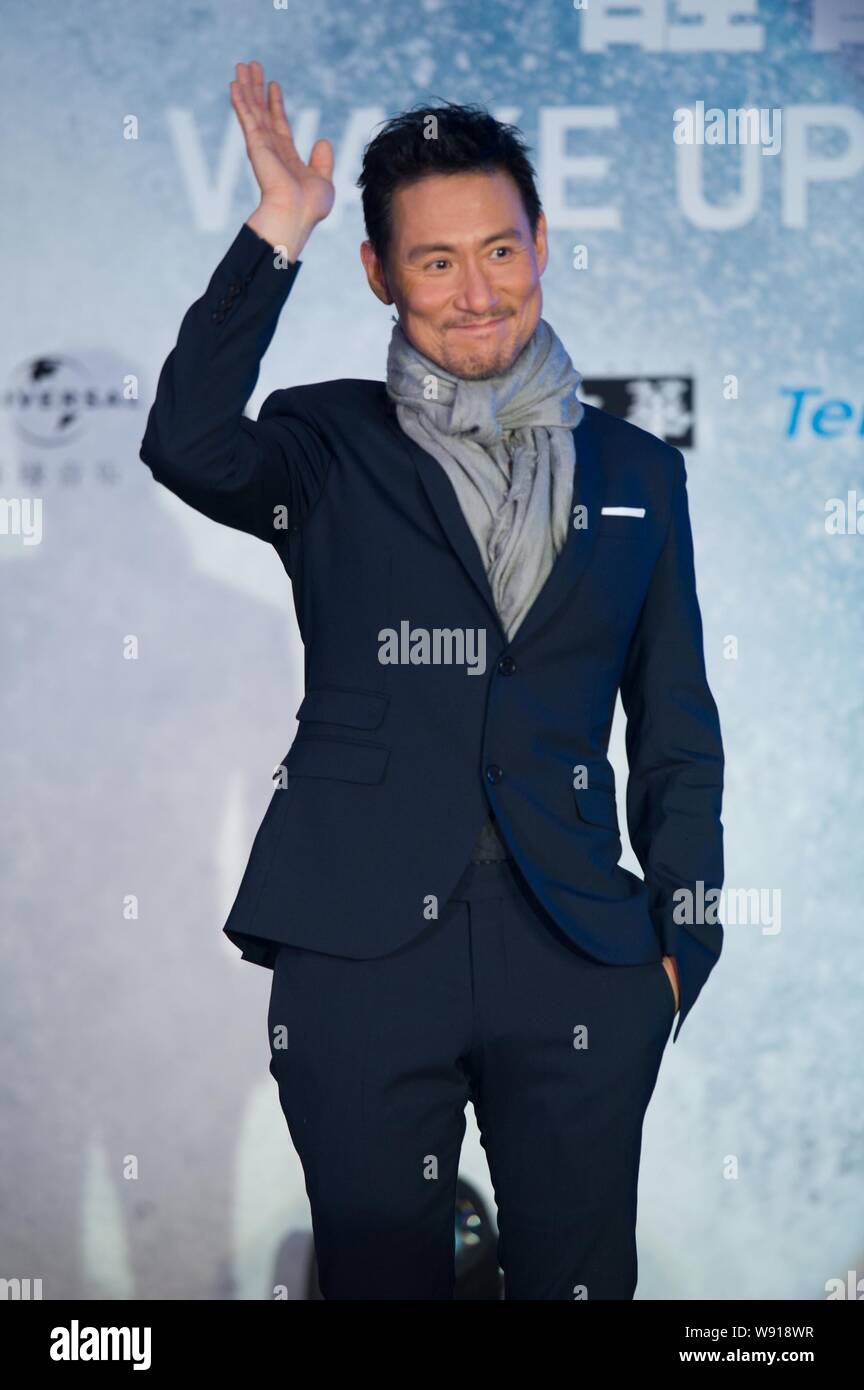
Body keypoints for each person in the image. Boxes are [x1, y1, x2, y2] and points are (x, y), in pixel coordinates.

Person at [139, 60, 725, 1300]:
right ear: (378, 273)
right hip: (360, 948)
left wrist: (682, 942)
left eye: (499, 252)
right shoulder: (329, 442)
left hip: (575, 946)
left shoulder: (636, 471)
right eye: (436, 260)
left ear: (543, 243)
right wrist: (275, 232)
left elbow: (675, 724)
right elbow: (185, 440)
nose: (476, 291)